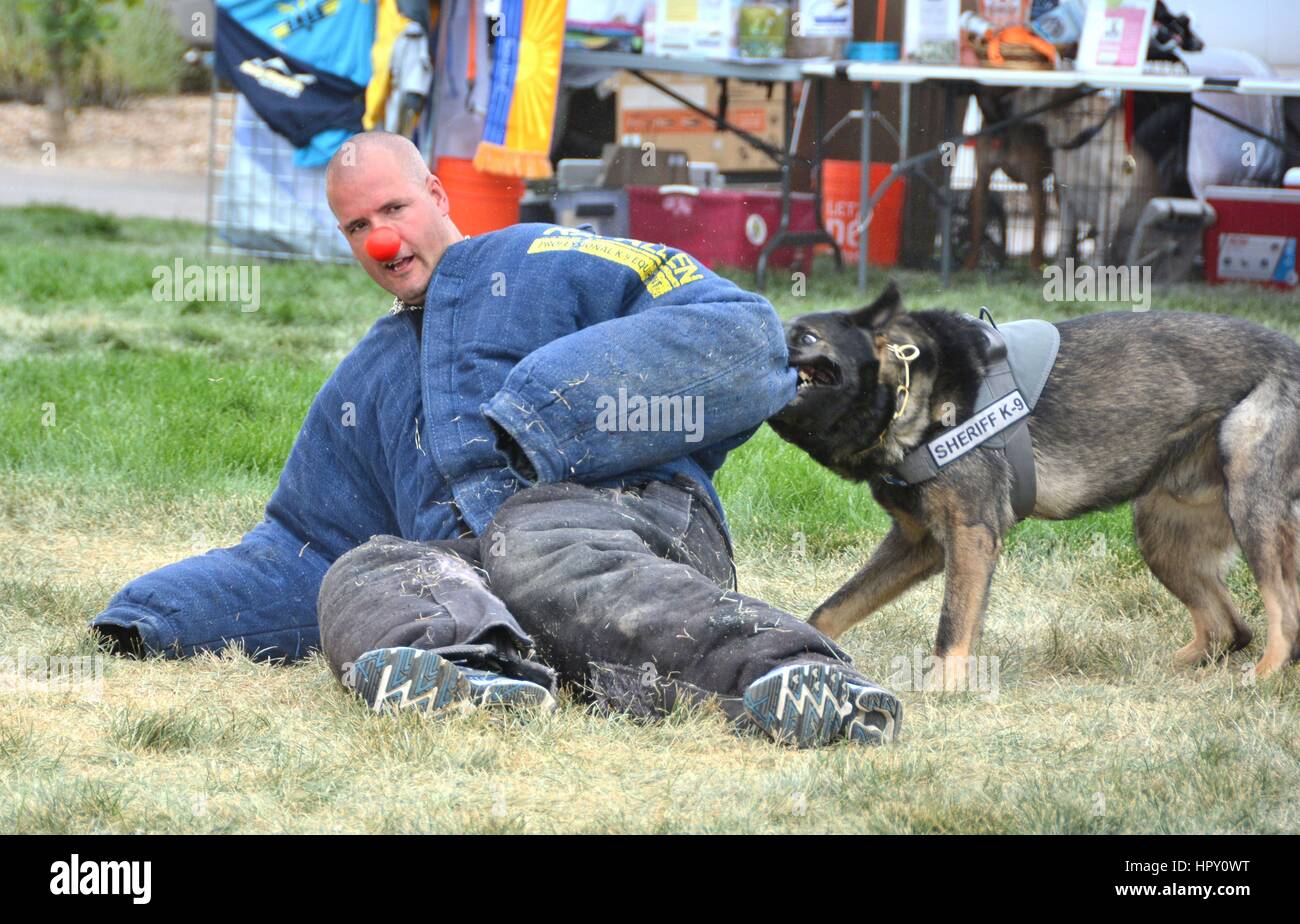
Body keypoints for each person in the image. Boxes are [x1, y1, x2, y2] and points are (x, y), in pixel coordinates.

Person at [91, 132, 902, 748]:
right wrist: (152, 616)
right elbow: (301, 541)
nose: (380, 240)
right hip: (488, 582)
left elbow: (737, 333)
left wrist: (552, 415)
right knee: (365, 567)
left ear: (439, 196)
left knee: (531, 533)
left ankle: (795, 675)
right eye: (357, 226)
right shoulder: (363, 378)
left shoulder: (549, 255)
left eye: (394, 210)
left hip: (633, 530)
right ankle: (474, 670)